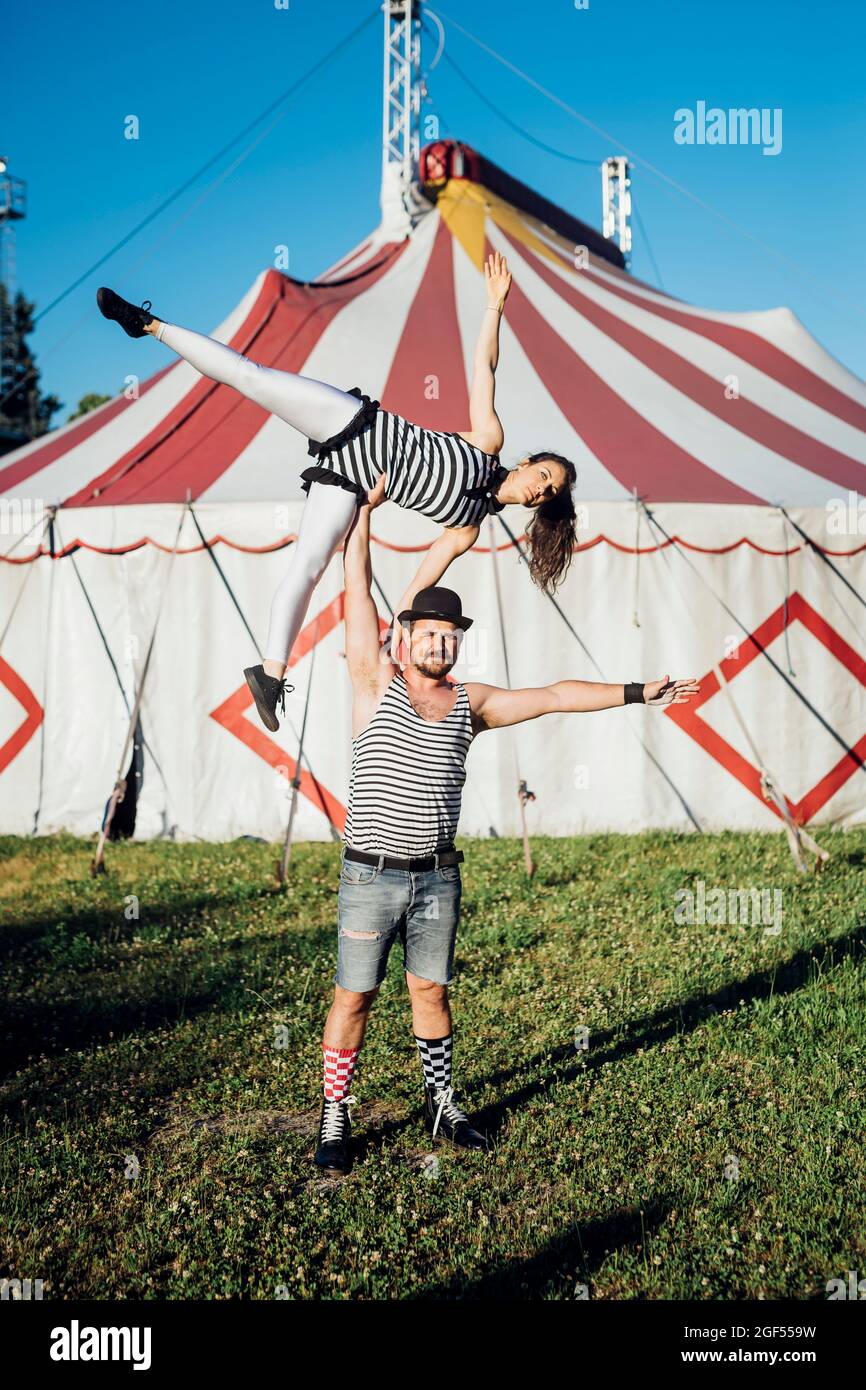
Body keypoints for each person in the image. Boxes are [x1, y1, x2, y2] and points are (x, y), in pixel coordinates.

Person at [314, 495, 700, 1175]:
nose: (440, 641)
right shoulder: (374, 682)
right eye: (428, 631)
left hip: (437, 874)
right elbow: (354, 586)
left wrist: (639, 692)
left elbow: (554, 695)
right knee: (355, 996)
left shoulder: (474, 703)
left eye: (450, 632)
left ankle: (440, 1101)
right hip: (369, 874)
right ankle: (335, 1115)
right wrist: (363, 517)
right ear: (405, 637)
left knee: (430, 991)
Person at [95, 252, 577, 732]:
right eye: (544, 475)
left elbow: (417, 586)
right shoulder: (489, 442)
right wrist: (494, 306)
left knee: (309, 564)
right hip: (355, 424)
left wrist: (391, 643)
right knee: (251, 377)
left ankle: (270, 674)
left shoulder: (466, 527)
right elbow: (484, 369)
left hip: (352, 485)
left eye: (549, 491)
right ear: (528, 463)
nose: (542, 488)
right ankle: (148, 325)